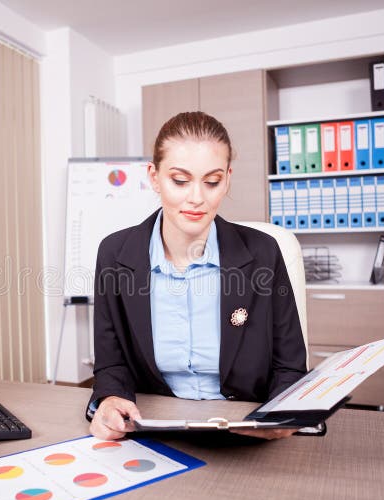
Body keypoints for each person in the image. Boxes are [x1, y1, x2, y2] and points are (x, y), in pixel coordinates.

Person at [87, 111, 307, 441]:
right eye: (179, 180)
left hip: (246, 431)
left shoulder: (264, 253)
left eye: (212, 181)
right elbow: (111, 364)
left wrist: (281, 414)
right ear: (154, 176)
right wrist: (110, 399)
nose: (197, 198)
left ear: (228, 179)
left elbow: (289, 367)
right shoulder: (115, 255)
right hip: (155, 429)